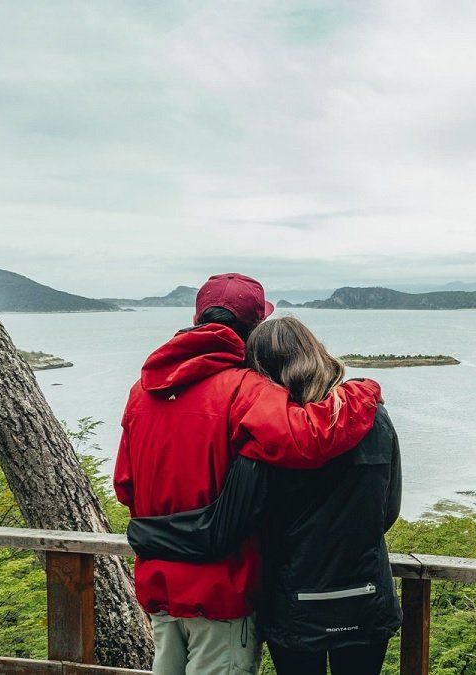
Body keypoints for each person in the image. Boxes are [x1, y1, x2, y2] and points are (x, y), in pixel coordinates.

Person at [114, 274, 383, 675]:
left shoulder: (142, 391)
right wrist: (362, 392)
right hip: (221, 590)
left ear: (196, 318)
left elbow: (124, 486)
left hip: (159, 582)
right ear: (255, 329)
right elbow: (308, 438)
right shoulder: (245, 389)